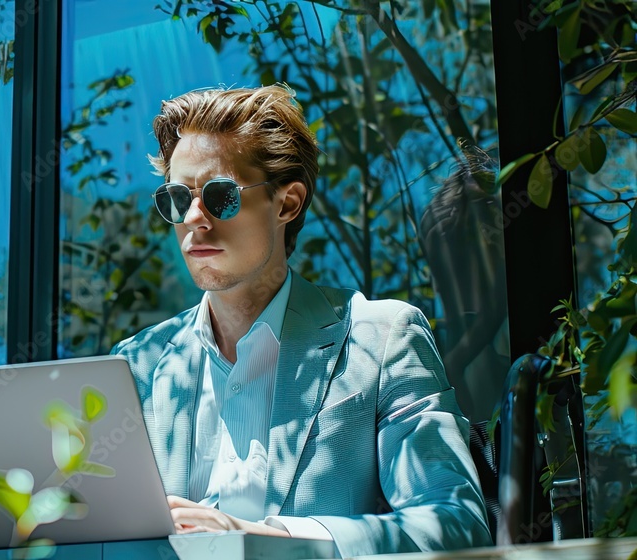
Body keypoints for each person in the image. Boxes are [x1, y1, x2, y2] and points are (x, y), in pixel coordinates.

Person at [111, 85, 492, 558]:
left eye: (219, 196)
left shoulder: (382, 339)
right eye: (176, 198)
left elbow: (455, 525)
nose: (194, 218)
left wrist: (268, 540)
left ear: (287, 204)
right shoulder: (134, 367)